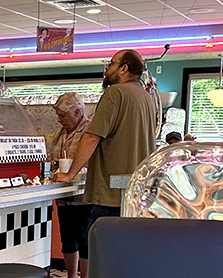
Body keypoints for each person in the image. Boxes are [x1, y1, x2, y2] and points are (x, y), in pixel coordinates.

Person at [55, 49, 156, 227]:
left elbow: (92, 137)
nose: (107, 68)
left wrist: (70, 174)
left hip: (112, 193)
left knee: (103, 243)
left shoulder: (115, 93)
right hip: (136, 192)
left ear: (124, 68)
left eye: (111, 63)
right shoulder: (145, 97)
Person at [51, 93, 91, 278]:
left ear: (77, 112)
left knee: (84, 239)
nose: (59, 120)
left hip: (83, 195)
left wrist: (74, 172)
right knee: (67, 238)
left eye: (63, 116)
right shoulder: (60, 133)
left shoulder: (89, 131)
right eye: (58, 116)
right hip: (63, 194)